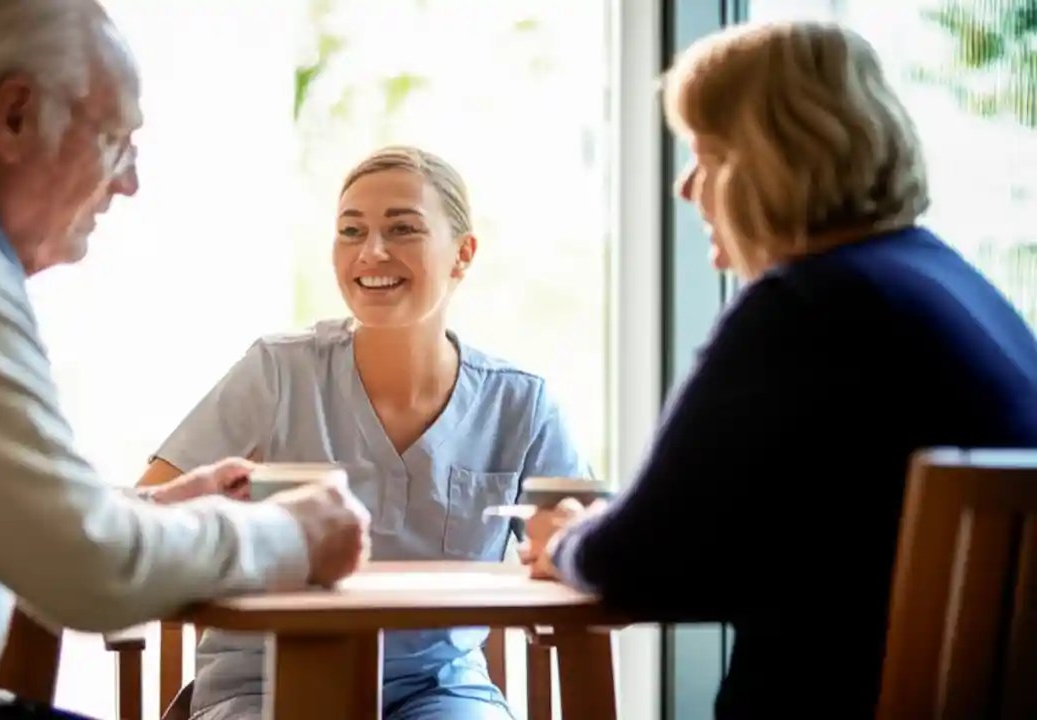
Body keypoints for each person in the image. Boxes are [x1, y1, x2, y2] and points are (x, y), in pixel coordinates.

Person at [0, 0, 368, 698]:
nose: (129, 181)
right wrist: (289, 533)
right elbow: (93, 575)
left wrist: (143, 513)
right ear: (16, 116)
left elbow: (40, 527)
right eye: (116, 140)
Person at [520, 19, 1037, 720]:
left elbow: (635, 562)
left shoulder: (807, 305)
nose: (684, 187)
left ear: (763, 162)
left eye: (703, 154)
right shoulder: (951, 283)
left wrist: (569, 536)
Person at [137, 146, 591, 720]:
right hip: (262, 686)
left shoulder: (522, 403)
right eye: (351, 231)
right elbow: (145, 514)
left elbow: (589, 552)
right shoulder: (277, 372)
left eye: (402, 229)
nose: (372, 252)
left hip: (438, 692)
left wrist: (557, 547)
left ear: (463, 254)